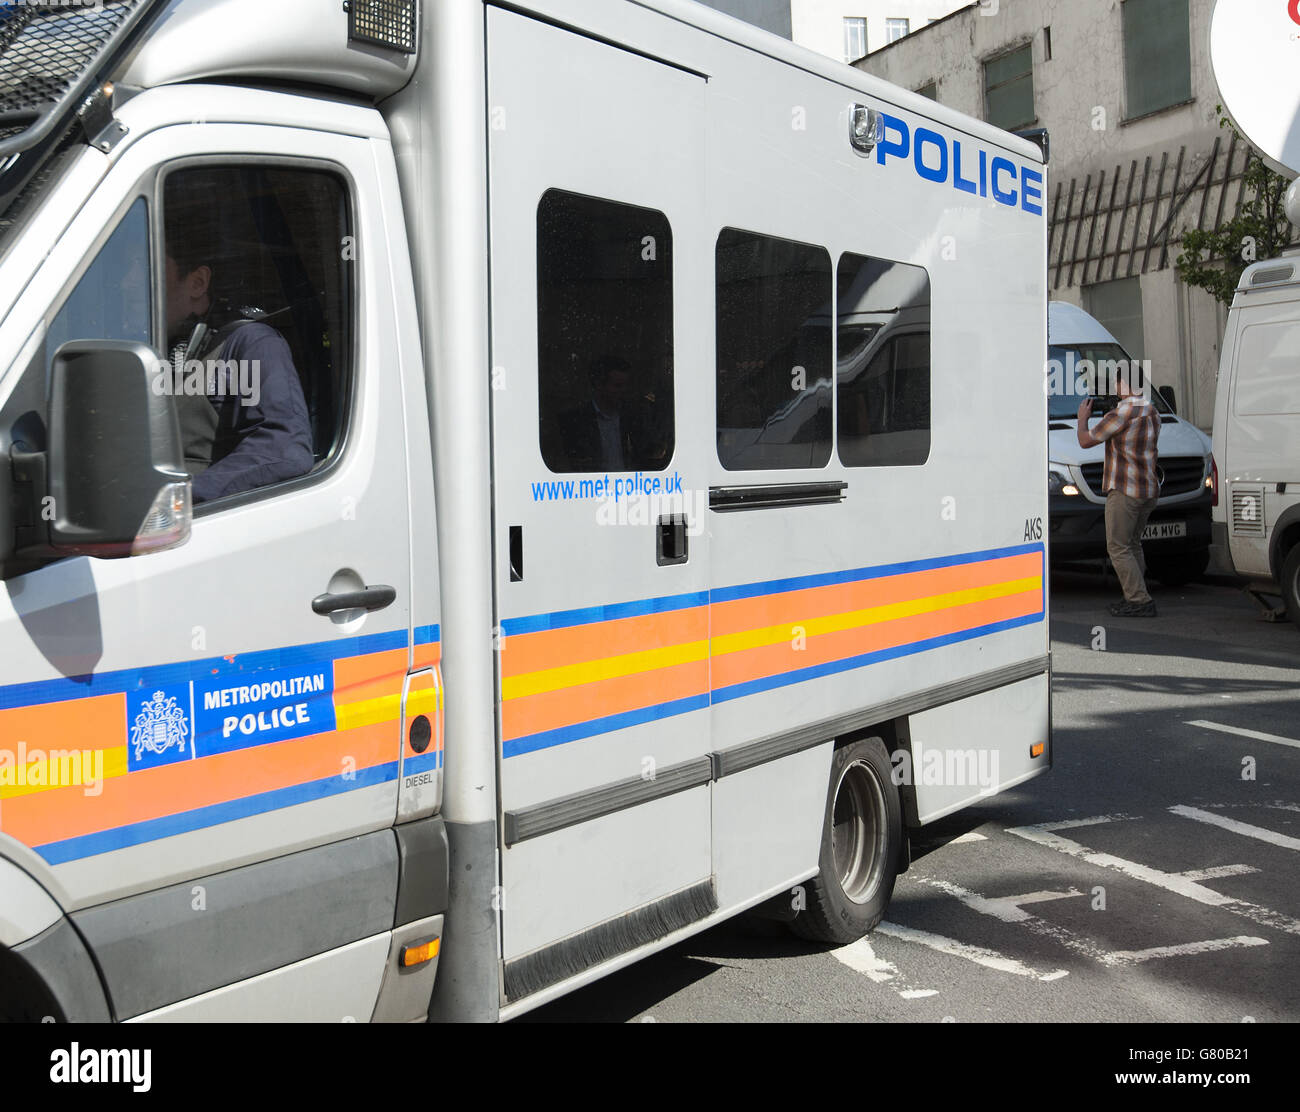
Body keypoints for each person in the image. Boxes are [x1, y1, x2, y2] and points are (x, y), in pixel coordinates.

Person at [164, 227, 314, 504]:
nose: (128, 282)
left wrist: (175, 500)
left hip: (196, 526)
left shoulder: (251, 344)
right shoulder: (156, 350)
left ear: (197, 282)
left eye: (146, 268)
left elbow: (283, 451)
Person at [1076, 363, 1161, 617]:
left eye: (1116, 381)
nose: (1114, 385)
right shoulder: (1152, 411)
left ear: (1124, 384)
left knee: (1118, 547)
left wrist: (1083, 419)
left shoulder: (1121, 414)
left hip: (1125, 489)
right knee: (1133, 544)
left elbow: (1084, 441)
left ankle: (1139, 600)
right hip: (1148, 489)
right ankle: (1135, 593)